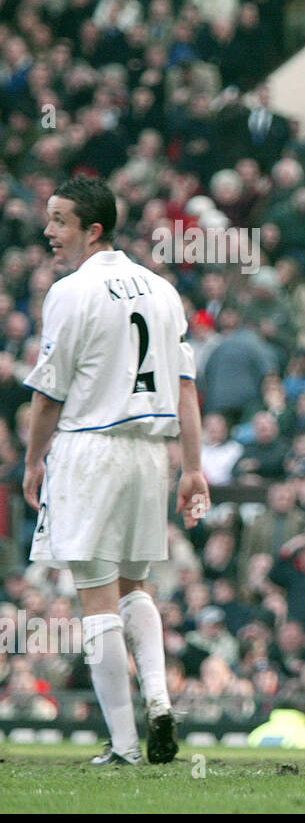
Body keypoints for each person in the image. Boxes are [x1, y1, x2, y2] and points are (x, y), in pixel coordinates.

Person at [22, 176, 209, 766]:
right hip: (150, 455)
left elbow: (49, 395)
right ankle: (157, 698)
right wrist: (194, 471)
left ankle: (126, 745)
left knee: (96, 598)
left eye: (59, 221)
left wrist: (33, 459)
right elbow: (185, 389)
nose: (49, 232)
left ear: (92, 229)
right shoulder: (162, 290)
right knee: (138, 586)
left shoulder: (70, 292)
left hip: (90, 448)